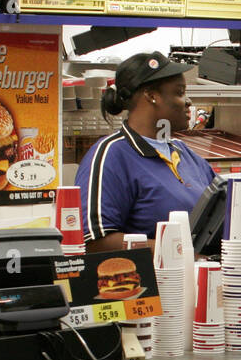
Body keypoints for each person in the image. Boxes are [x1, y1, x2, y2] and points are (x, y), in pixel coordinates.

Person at [77, 51, 216, 251]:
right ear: (152, 96)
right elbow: (95, 241)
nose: (188, 101)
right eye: (179, 92)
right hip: (144, 280)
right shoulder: (111, 155)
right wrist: (174, 250)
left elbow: (221, 208)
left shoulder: (184, 152)